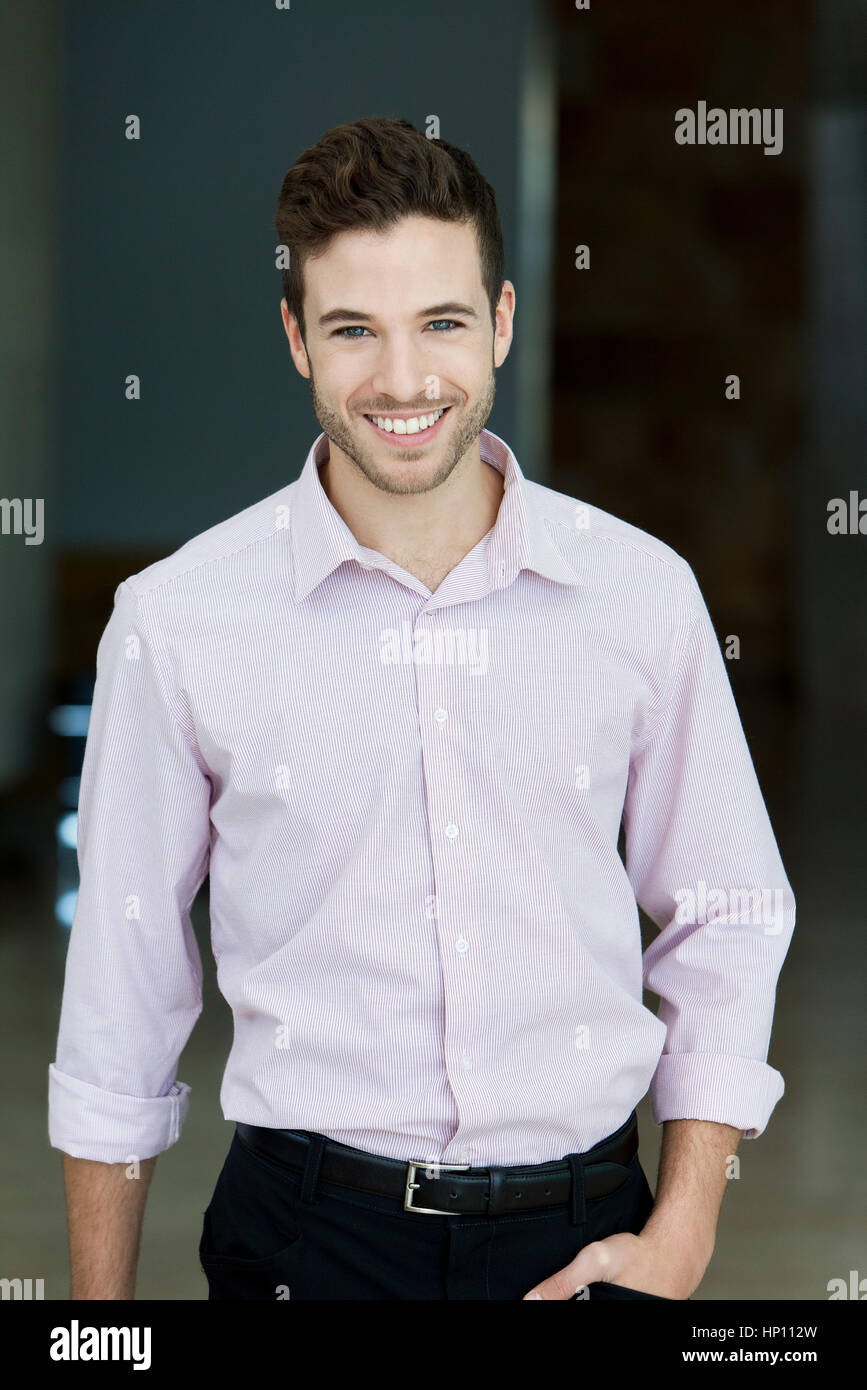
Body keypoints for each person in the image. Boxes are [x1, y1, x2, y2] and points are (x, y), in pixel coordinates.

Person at [49, 116, 795, 1302]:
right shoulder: (175, 619)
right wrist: (98, 1333)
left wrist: (687, 1225)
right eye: (355, 330)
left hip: (587, 1232)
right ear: (297, 338)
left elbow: (728, 912)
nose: (403, 382)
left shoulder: (641, 592)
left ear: (500, 319)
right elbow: (120, 994)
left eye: (442, 323)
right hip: (304, 1242)